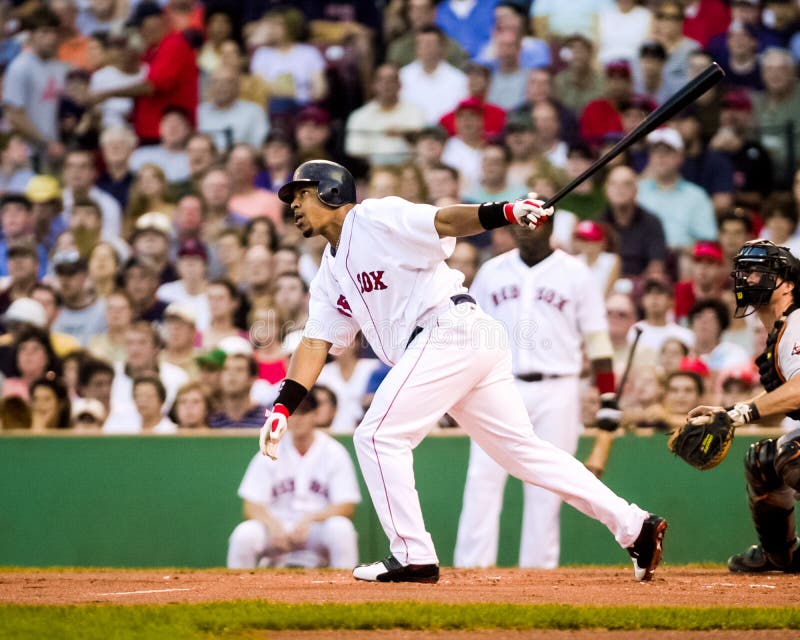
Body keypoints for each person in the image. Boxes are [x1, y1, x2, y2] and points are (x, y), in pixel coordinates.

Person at [261, 159, 668, 583]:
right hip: (458, 340)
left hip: (448, 329)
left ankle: (413, 554)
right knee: (523, 453)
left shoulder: (375, 218)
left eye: (302, 194)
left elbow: (443, 220)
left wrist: (505, 211)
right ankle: (634, 526)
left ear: (331, 192)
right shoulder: (330, 271)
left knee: (378, 435)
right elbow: (315, 340)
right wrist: (283, 407)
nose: (293, 205)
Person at [454, 215, 626, 569]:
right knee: (482, 480)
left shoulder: (576, 273)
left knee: (548, 487)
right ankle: (470, 572)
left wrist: (608, 397)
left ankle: (540, 575)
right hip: (497, 386)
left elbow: (597, 338)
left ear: (549, 227)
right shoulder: (492, 271)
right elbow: (469, 332)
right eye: (518, 222)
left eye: (532, 222)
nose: (524, 229)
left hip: (559, 387)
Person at [686, 239, 800, 573]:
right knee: (762, 461)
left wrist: (740, 412)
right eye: (743, 270)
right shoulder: (781, 329)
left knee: (793, 453)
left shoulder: (797, 324)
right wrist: (728, 412)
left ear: (788, 283)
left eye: (756, 271)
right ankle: (781, 555)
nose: (745, 278)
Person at [227, 391, 361, 569]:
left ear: (315, 415)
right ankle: (238, 592)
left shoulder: (334, 452)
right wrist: (273, 525)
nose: (298, 419)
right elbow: (251, 505)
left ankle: (346, 592)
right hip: (277, 527)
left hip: (315, 529)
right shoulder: (270, 449)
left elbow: (346, 506)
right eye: (293, 413)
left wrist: (311, 519)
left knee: (341, 529)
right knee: (244, 534)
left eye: (304, 412)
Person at [1, 6, 66, 169]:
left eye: (54, 32)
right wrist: (45, 141)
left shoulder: (59, 67)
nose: (51, 38)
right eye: (44, 32)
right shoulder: (20, 67)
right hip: (26, 153)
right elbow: (15, 115)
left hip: (54, 150)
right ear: (30, 35)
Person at [345, 64, 426, 167]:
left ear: (400, 84)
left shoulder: (416, 113)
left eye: (391, 80)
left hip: (409, 170)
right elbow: (354, 151)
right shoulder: (359, 116)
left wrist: (405, 134)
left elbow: (422, 148)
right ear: (373, 85)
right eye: (381, 80)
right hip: (371, 171)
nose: (386, 85)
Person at [399, 26, 468, 125]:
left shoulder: (459, 80)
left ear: (441, 47)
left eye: (430, 44)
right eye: (421, 44)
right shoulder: (402, 76)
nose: (426, 49)